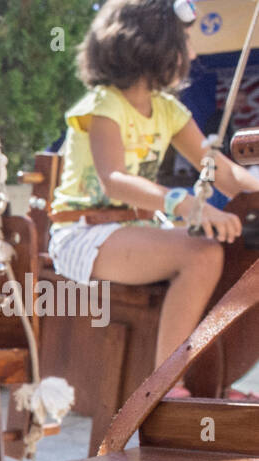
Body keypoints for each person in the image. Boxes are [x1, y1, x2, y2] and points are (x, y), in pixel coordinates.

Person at [50, 0, 259, 396]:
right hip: (82, 234)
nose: (192, 52)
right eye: (185, 41)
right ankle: (165, 388)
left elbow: (220, 170)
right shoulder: (103, 105)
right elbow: (113, 180)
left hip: (134, 230)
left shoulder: (167, 109)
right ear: (155, 46)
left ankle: (211, 382)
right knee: (202, 255)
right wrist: (182, 203)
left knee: (227, 251)